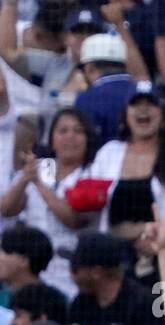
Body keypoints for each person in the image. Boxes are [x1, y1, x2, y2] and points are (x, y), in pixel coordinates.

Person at [88, 81, 165, 283]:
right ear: (126, 114)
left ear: (162, 113)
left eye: (151, 103)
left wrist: (164, 241)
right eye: (136, 104)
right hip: (117, 265)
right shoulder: (108, 153)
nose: (143, 109)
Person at [0, 107, 97, 301]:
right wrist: (24, 179)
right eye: (62, 131)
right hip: (32, 274)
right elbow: (7, 209)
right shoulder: (41, 167)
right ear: (51, 138)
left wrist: (37, 183)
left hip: (73, 274)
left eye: (78, 131)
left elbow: (73, 220)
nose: (70, 137)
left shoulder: (93, 172)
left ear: (87, 138)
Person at [66, 232, 160, 325]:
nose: (71, 275)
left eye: (75, 269)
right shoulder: (79, 305)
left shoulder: (142, 303)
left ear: (96, 272)